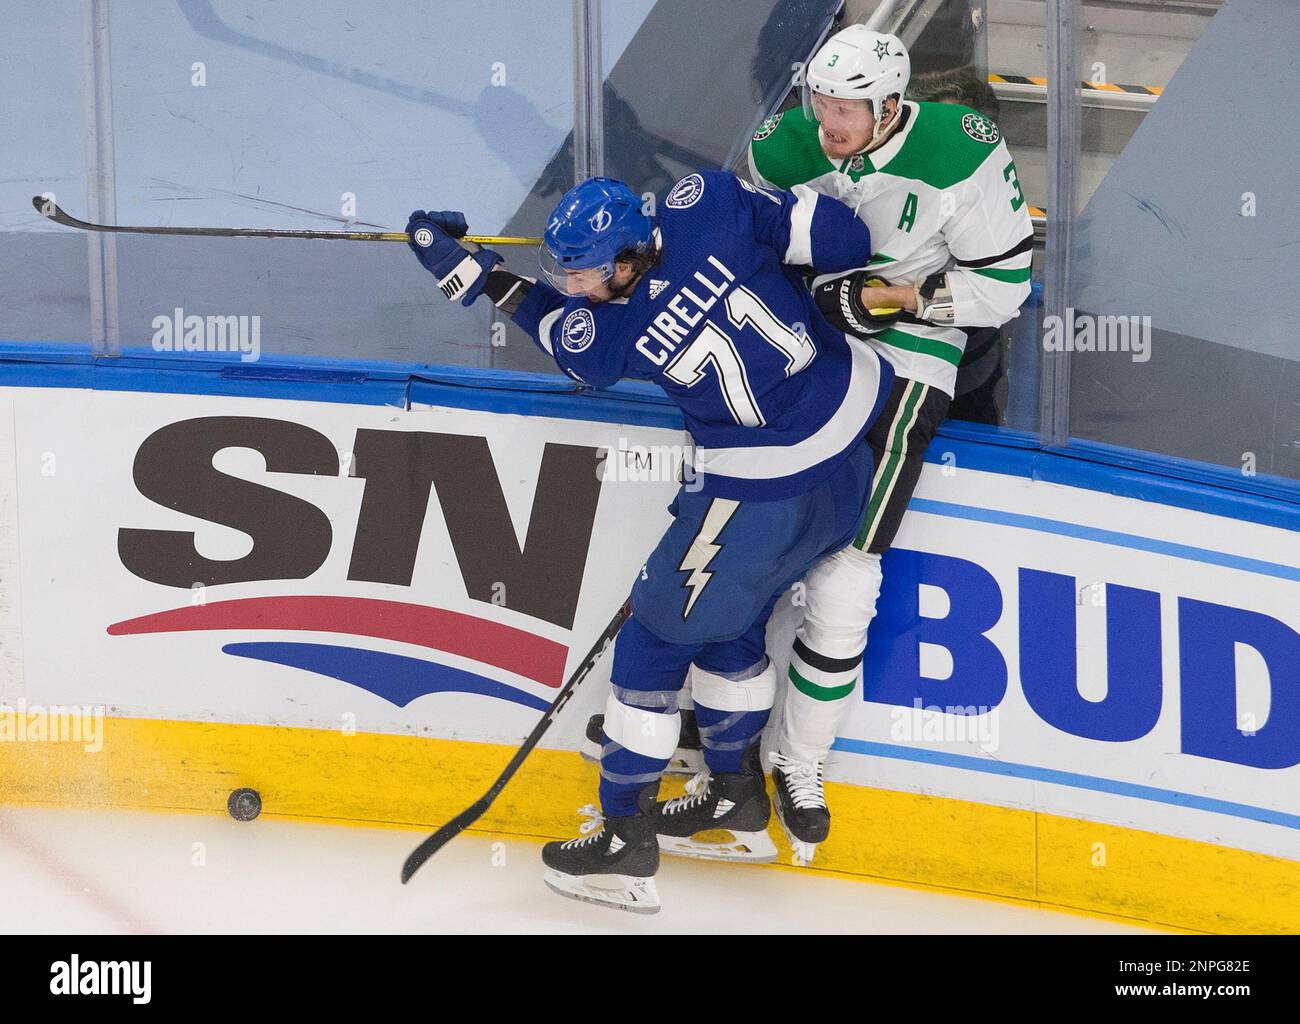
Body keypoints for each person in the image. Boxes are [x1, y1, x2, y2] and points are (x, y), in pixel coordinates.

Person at [405, 171, 894, 911]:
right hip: (852, 461)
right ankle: (735, 799)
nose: (573, 289)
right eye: (563, 271)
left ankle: (622, 841)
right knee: (731, 622)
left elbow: (554, 327)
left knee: (654, 642)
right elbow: (845, 239)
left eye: (588, 274)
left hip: (761, 495)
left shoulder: (613, 338)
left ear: (631, 256)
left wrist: (465, 272)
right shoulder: (707, 203)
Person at [745, 26, 1033, 864]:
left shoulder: (960, 148)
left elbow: (1003, 287)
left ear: (890, 103)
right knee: (753, 540)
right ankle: (721, 729)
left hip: (911, 359)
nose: (830, 122)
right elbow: (748, 244)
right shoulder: (785, 143)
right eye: (822, 104)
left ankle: (800, 760)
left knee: (847, 573)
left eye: (847, 108)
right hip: (805, 349)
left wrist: (898, 301)